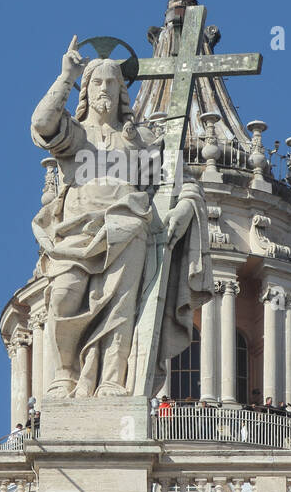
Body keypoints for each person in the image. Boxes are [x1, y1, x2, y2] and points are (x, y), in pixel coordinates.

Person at [31, 37, 211, 399]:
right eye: (96, 82)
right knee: (64, 296)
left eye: (112, 82)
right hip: (75, 230)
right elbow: (43, 122)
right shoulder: (76, 136)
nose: (104, 89)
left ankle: (112, 377)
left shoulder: (141, 140)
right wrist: (66, 77)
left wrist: (182, 208)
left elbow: (182, 183)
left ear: (122, 90)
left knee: (121, 308)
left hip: (130, 226)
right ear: (86, 90)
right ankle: (66, 372)